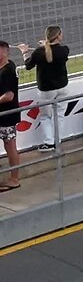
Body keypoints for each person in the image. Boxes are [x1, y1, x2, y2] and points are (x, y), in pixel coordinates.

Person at [18, 25, 69, 153]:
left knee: (46, 116)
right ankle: (58, 140)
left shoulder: (39, 52)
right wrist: (44, 46)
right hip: (62, 86)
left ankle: (49, 142)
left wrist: (24, 52)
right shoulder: (64, 50)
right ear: (58, 36)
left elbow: (28, 65)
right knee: (59, 114)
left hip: (46, 90)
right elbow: (50, 52)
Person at [0, 41, 21, 192]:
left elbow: (9, 96)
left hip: (7, 115)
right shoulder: (6, 67)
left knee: (10, 145)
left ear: (5, 52)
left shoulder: (7, 71)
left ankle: (14, 179)